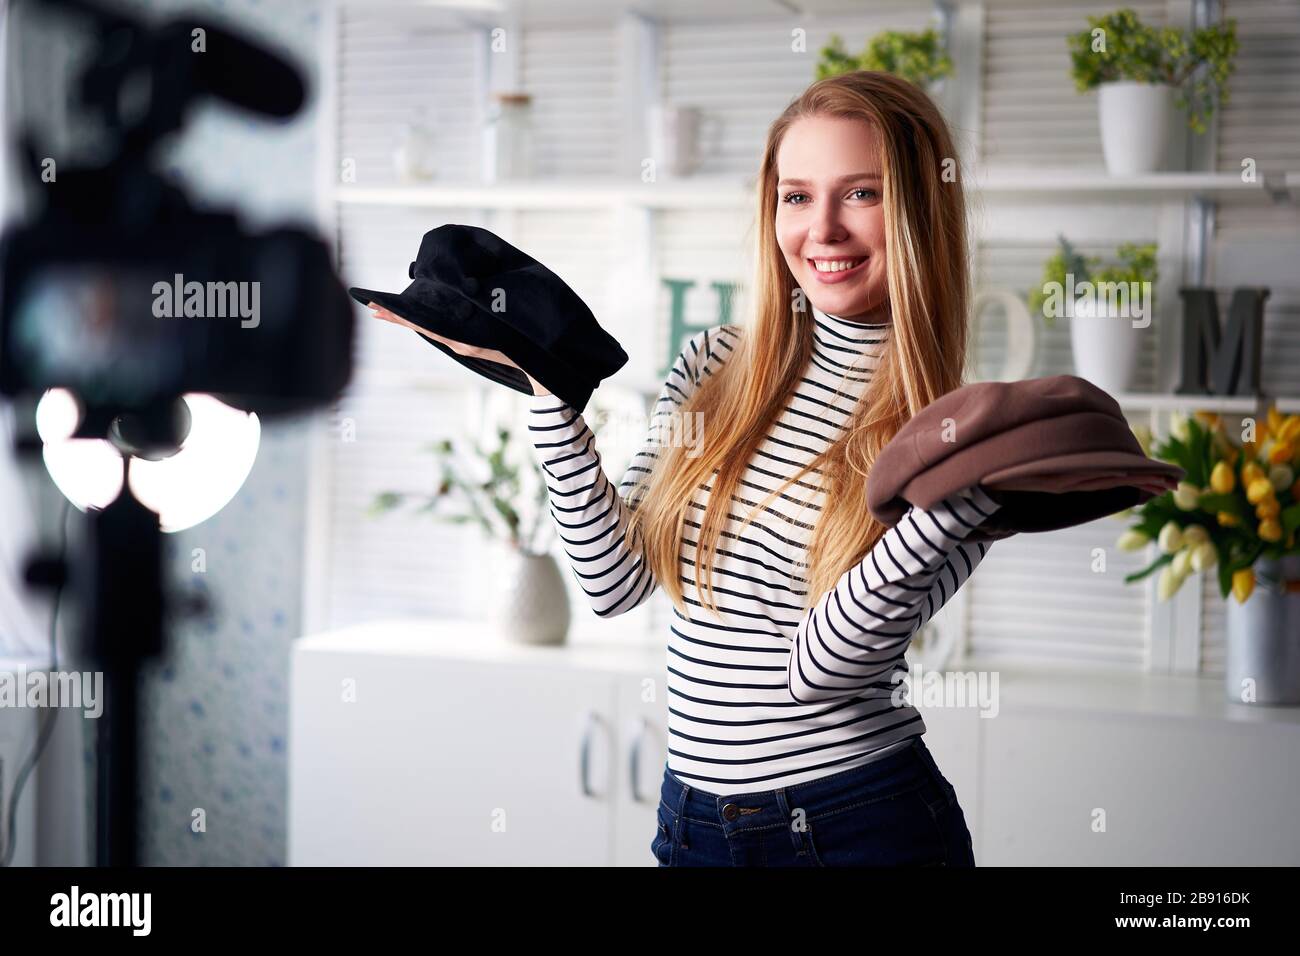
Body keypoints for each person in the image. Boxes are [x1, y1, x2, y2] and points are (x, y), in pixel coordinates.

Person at [366, 70, 1003, 867]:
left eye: (862, 194)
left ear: (917, 211)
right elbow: (615, 583)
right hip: (692, 820)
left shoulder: (956, 428)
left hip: (857, 825)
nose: (823, 231)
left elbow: (823, 666)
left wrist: (962, 497)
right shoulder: (716, 366)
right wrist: (546, 392)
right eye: (797, 196)